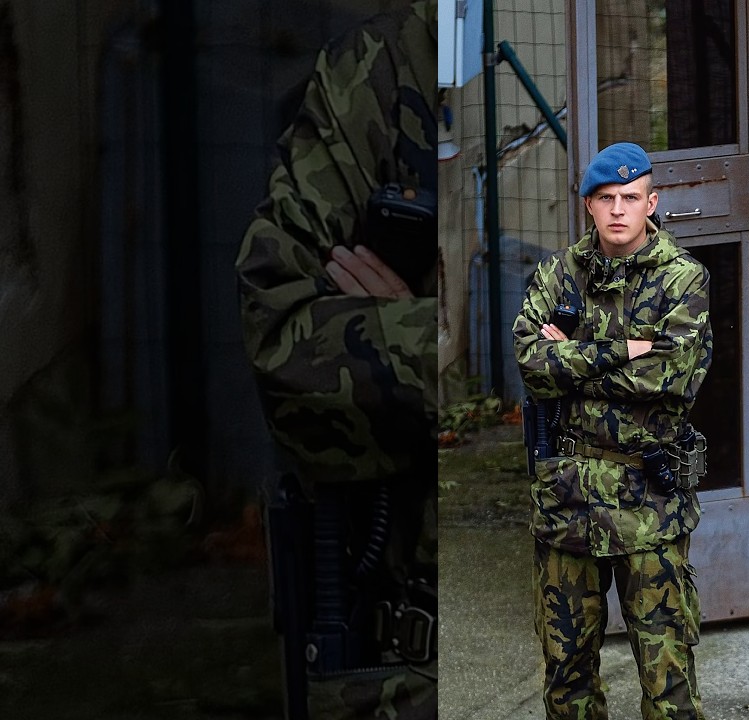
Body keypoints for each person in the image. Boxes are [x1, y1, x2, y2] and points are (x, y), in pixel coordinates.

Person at [235, 2, 437, 719]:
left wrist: (399, 327)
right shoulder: (384, 66)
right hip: (420, 672)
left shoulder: (620, 60)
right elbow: (281, 336)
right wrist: (450, 347)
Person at [512, 141, 713, 720]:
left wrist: (572, 359)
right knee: (566, 676)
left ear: (652, 202)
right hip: (566, 499)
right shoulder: (558, 275)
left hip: (648, 503)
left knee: (668, 681)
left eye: (630, 197)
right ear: (588, 205)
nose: (618, 209)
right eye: (605, 198)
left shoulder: (683, 279)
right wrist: (626, 349)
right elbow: (530, 362)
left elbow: (669, 377)